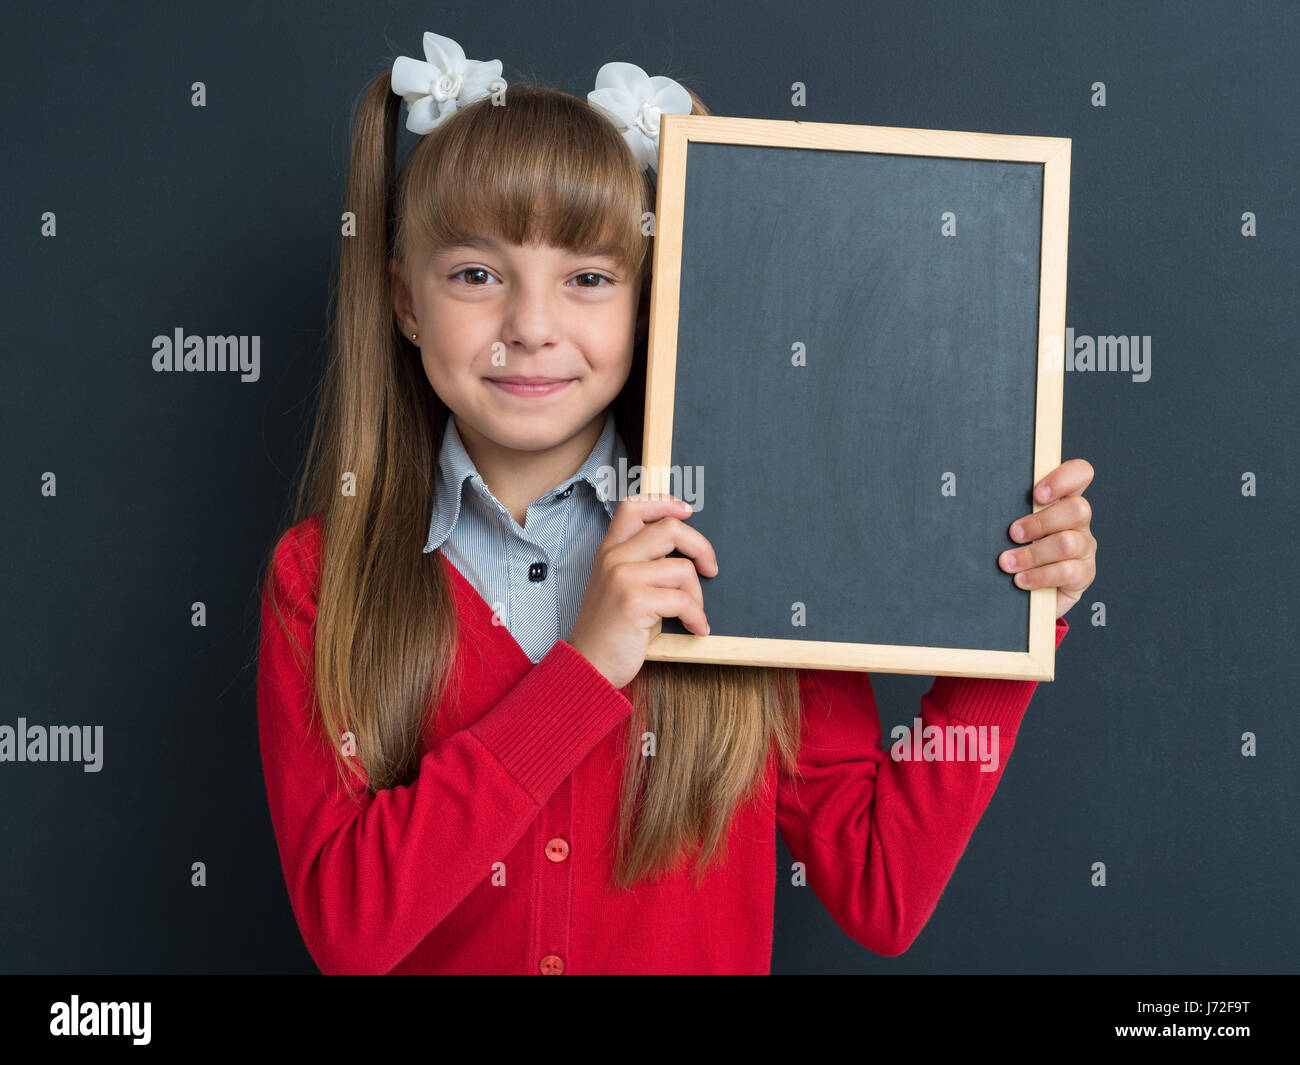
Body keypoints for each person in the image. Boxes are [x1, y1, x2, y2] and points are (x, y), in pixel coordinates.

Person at [255, 31, 1098, 975]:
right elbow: (348, 929)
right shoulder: (323, 577)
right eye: (477, 275)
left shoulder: (745, 547)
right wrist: (583, 671)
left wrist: (1011, 620)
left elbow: (881, 886)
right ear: (406, 302)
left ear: (652, 301)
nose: (532, 327)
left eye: (588, 279)